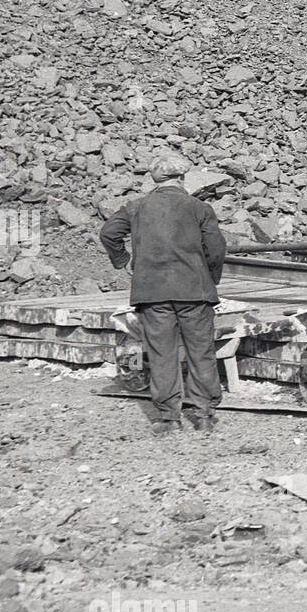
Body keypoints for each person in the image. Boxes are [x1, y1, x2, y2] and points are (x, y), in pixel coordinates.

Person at [99, 154, 227, 436]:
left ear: (155, 179)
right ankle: (204, 415)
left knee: (161, 353)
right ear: (182, 178)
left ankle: (169, 418)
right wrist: (210, 278)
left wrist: (123, 260)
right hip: (195, 292)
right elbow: (217, 249)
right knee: (201, 351)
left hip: (152, 292)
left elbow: (109, 233)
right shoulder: (198, 207)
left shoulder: (137, 207)